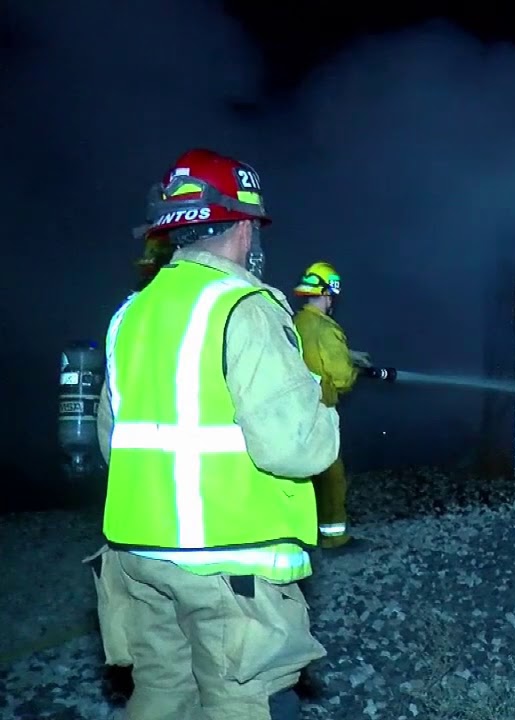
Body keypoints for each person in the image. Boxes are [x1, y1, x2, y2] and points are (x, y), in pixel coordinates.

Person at [85, 148, 340, 720]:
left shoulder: (131, 314)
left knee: (162, 696)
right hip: (229, 564)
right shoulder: (243, 307)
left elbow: (113, 440)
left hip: (139, 555)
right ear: (246, 228)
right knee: (245, 699)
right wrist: (324, 409)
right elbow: (295, 447)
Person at [291, 261, 373, 552]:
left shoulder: (297, 322)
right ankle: (334, 538)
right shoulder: (327, 329)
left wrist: (351, 355)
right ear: (327, 294)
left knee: (303, 475)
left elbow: (311, 352)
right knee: (332, 476)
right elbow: (340, 378)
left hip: (297, 410)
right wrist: (354, 371)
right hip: (321, 409)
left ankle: (303, 534)